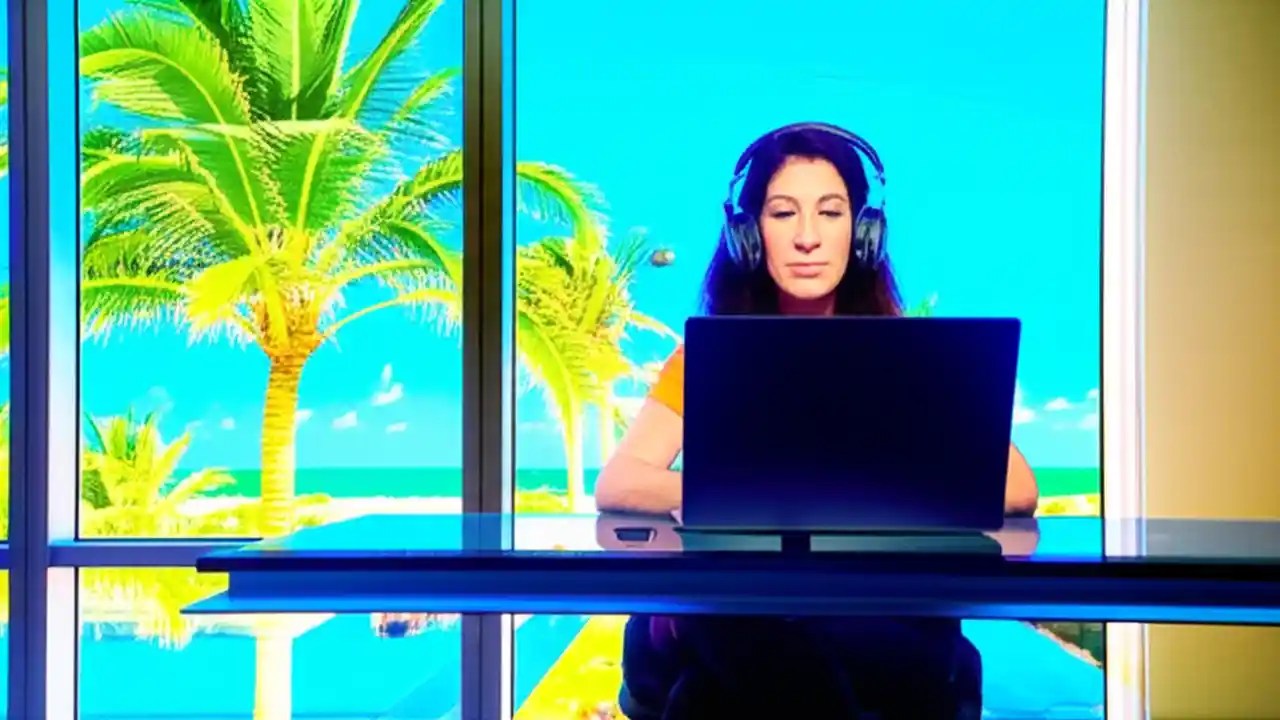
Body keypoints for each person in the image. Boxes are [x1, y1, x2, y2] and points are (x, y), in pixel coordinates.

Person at [595, 122, 1039, 719]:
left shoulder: (906, 358)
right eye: (783, 214)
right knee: (724, 655)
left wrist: (863, 497)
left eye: (830, 213)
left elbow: (1019, 489)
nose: (807, 237)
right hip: (743, 609)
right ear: (749, 234)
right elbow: (618, 482)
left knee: (701, 698)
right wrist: (746, 499)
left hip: (875, 612)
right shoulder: (708, 355)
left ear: (862, 233)